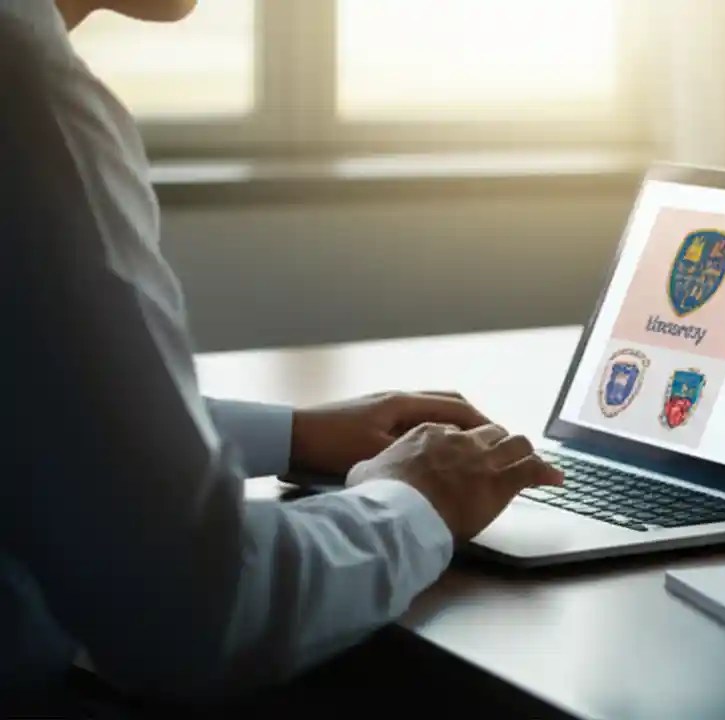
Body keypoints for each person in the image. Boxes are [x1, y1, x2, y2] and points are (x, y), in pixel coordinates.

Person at [0, 0, 563, 713]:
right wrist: (417, 501)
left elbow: (38, 406)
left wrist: (291, 433)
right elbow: (189, 612)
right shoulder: (29, 105)